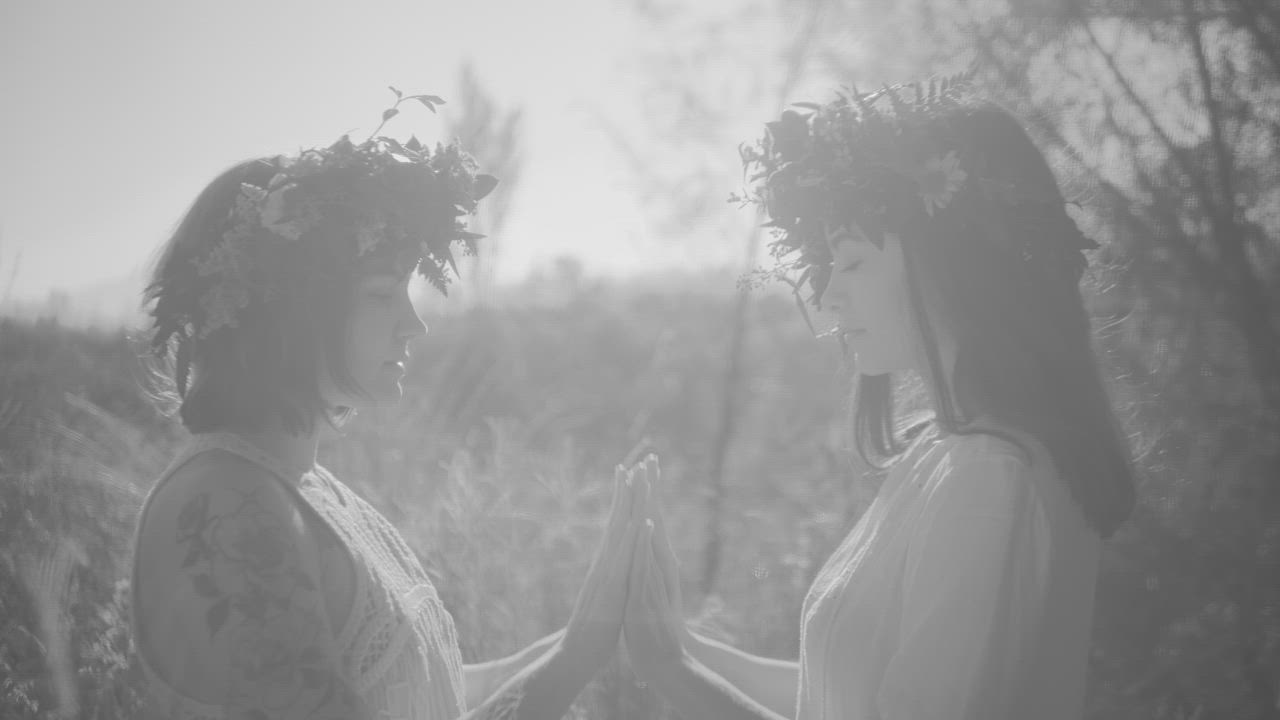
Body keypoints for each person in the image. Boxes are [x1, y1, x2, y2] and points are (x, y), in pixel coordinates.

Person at [617, 74, 1137, 719]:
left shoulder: (988, 478)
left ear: (946, 265)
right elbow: (838, 691)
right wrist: (679, 645)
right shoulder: (947, 451)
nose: (828, 295)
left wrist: (674, 676)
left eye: (854, 262)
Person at [130, 126, 646, 720]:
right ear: (290, 314)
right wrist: (576, 658)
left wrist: (582, 631)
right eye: (381, 295)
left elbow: (427, 692)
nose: (413, 324)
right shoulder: (228, 507)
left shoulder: (306, 488)